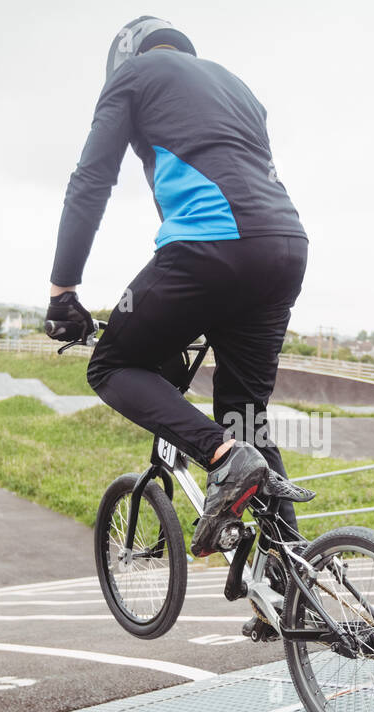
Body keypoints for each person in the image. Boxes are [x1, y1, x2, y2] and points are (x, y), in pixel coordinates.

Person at [46, 16, 312, 561]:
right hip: (285, 246)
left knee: (110, 366)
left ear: (123, 57)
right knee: (246, 416)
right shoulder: (238, 87)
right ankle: (291, 573)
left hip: (212, 245)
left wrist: (62, 291)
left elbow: (91, 181)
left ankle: (219, 455)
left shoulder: (134, 75)